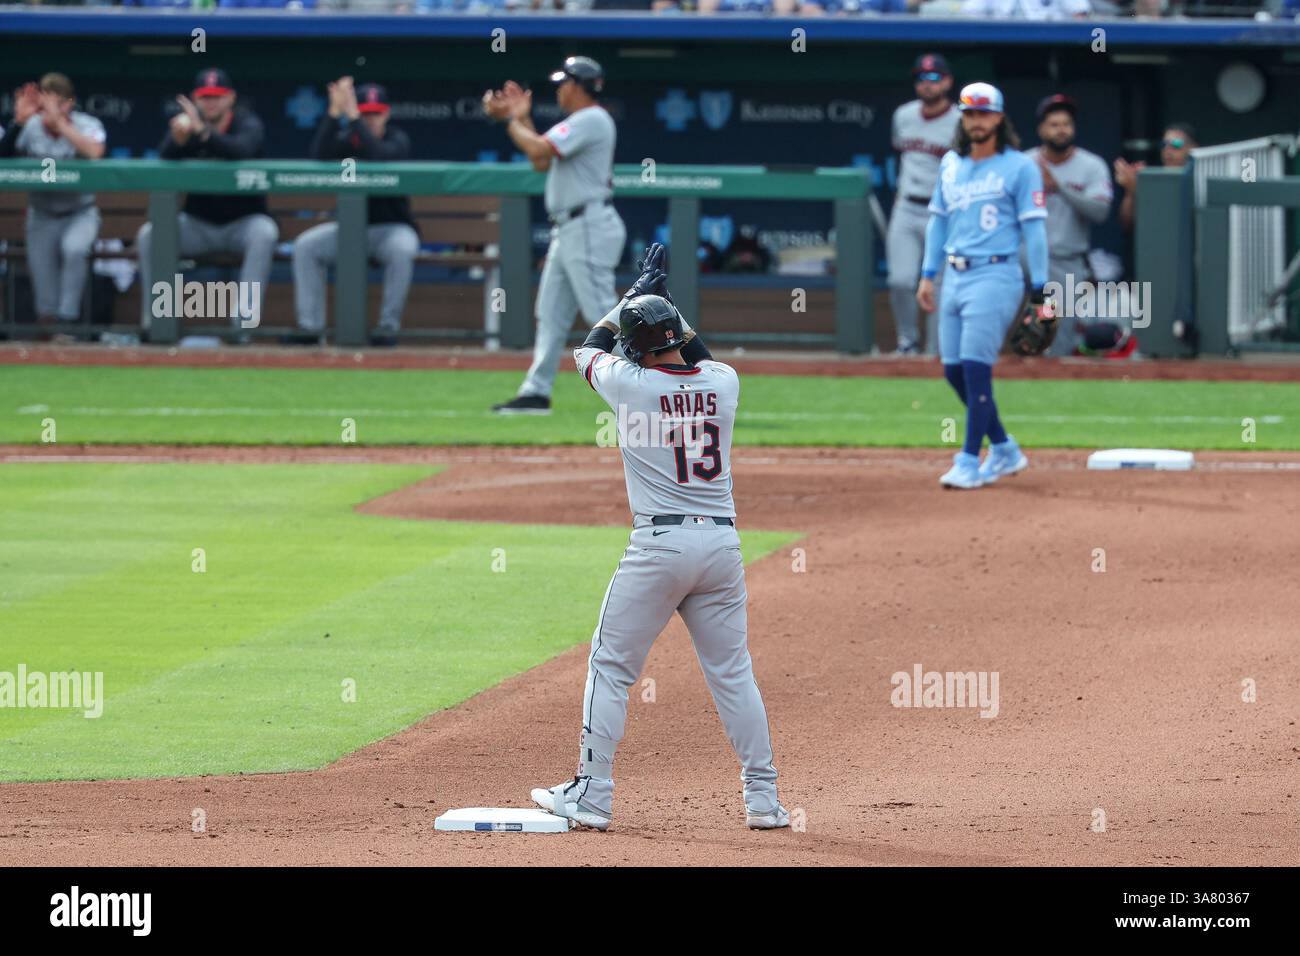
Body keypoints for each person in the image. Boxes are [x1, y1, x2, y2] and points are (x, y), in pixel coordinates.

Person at [531, 243, 787, 832]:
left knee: (611, 666)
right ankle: (765, 801)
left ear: (635, 347)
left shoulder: (630, 384)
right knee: (733, 674)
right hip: (722, 549)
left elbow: (585, 350)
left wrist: (629, 298)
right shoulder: (725, 382)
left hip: (659, 549)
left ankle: (591, 794)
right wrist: (662, 303)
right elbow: (694, 353)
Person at [916, 82, 1049, 490]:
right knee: (954, 371)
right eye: (970, 113)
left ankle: (970, 458)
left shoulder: (1021, 166)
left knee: (976, 368)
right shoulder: (952, 164)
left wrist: (1041, 289)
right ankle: (1005, 447)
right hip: (954, 273)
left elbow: (1036, 229)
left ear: (999, 117)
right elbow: (939, 221)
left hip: (996, 273)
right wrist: (927, 273)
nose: (976, 120)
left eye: (984, 113)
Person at [482, 56, 627, 415]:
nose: (559, 89)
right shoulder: (579, 122)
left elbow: (536, 150)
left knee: (602, 314)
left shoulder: (592, 118)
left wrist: (512, 118)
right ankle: (536, 391)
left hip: (589, 224)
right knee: (550, 313)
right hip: (571, 228)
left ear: (578, 86)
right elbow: (541, 160)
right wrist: (520, 117)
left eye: (564, 83)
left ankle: (645, 389)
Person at [135, 68, 278, 339]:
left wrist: (203, 133)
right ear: (195, 99)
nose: (211, 102)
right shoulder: (185, 125)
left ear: (231, 98)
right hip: (198, 225)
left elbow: (241, 150)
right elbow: (163, 160)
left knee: (265, 232)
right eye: (205, 96)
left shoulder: (247, 123)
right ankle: (157, 320)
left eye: (217, 96)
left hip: (243, 224)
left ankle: (242, 326)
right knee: (149, 235)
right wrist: (176, 141)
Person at [288, 79, 420, 348]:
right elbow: (319, 154)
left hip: (391, 229)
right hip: (350, 230)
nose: (371, 119)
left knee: (403, 249)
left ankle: (387, 327)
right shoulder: (348, 140)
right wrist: (335, 113)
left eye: (376, 113)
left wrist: (355, 117)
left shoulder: (397, 138)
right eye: (366, 112)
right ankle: (310, 327)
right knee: (306, 247)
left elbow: (379, 156)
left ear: (387, 113)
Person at [0, 73, 106, 327]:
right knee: (45, 296)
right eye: (46, 104)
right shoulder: (31, 126)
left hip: (80, 212)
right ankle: (49, 329)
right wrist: (19, 122)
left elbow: (94, 152)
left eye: (59, 102)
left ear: (70, 102)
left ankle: (68, 322)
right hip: (42, 214)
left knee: (75, 249)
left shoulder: (86, 123)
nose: (49, 110)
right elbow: (3, 156)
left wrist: (61, 122)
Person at [1024, 94, 1113, 356]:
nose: (1061, 130)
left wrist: (1060, 188)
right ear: (1041, 129)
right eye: (1054, 124)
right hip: (1023, 258)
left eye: (1066, 124)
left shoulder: (1091, 165)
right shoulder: (1023, 163)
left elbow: (1100, 211)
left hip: (1067, 259)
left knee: (1059, 339)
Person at [887, 53, 959, 355]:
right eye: (921, 78)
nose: (926, 85)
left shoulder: (960, 121)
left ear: (947, 82)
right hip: (906, 206)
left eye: (933, 78)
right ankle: (908, 341)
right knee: (901, 280)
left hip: (942, 211)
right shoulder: (903, 115)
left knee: (939, 285)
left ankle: (936, 352)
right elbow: (898, 150)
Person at [1114, 121, 1196, 232]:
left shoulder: (1198, 177)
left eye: (1176, 144)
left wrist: (1136, 189)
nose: (1168, 150)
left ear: (1193, 148)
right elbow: (1127, 224)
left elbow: (1171, 221)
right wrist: (1130, 191)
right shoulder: (1155, 178)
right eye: (1163, 144)